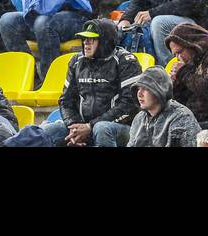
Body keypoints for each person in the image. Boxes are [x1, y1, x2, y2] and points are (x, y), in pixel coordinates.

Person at [43, 18, 141, 146]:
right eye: (84, 38)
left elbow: (130, 105)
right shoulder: (76, 61)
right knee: (47, 132)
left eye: (92, 39)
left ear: (105, 41)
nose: (86, 43)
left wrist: (90, 126)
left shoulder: (126, 61)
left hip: (121, 128)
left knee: (102, 128)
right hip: (84, 126)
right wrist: (74, 127)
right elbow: (66, 101)